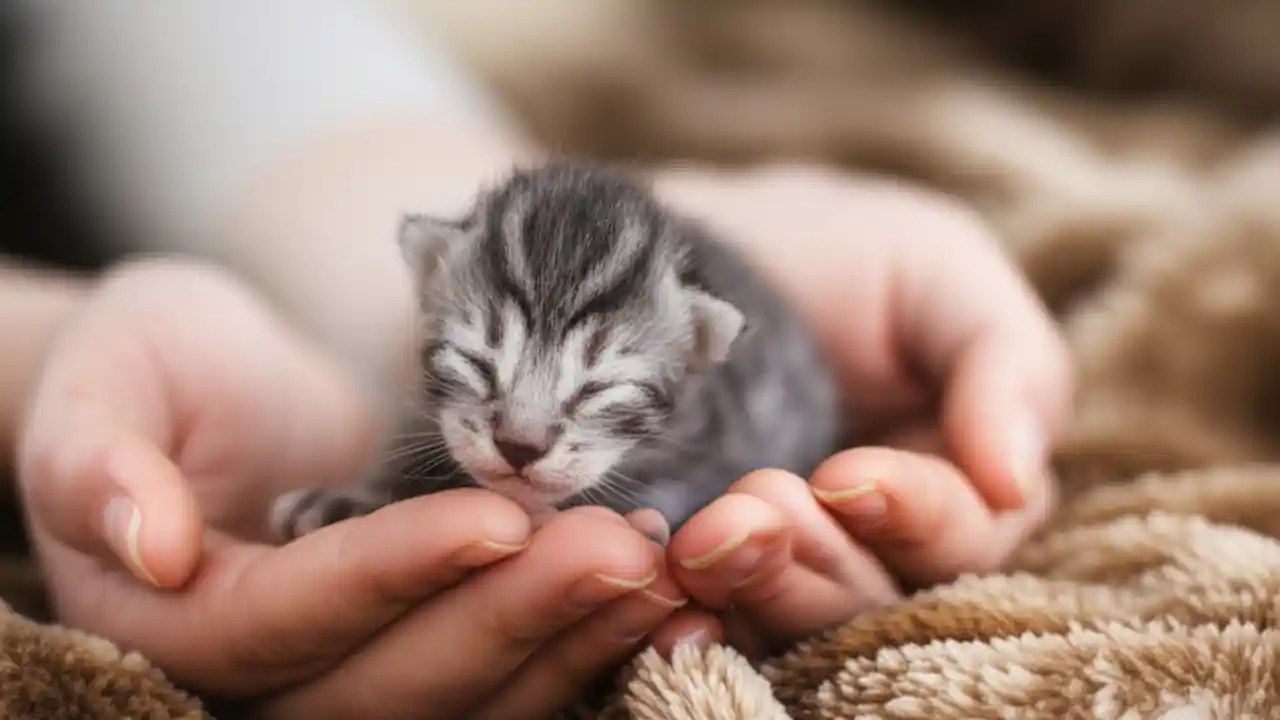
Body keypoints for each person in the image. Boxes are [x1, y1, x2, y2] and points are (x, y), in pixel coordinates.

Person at [3, 3, 1072, 717]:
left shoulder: (716, 360)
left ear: (696, 349)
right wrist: (38, 360)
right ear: (431, 285)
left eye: (599, 388)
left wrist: (346, 186)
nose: (518, 433)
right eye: (476, 357)